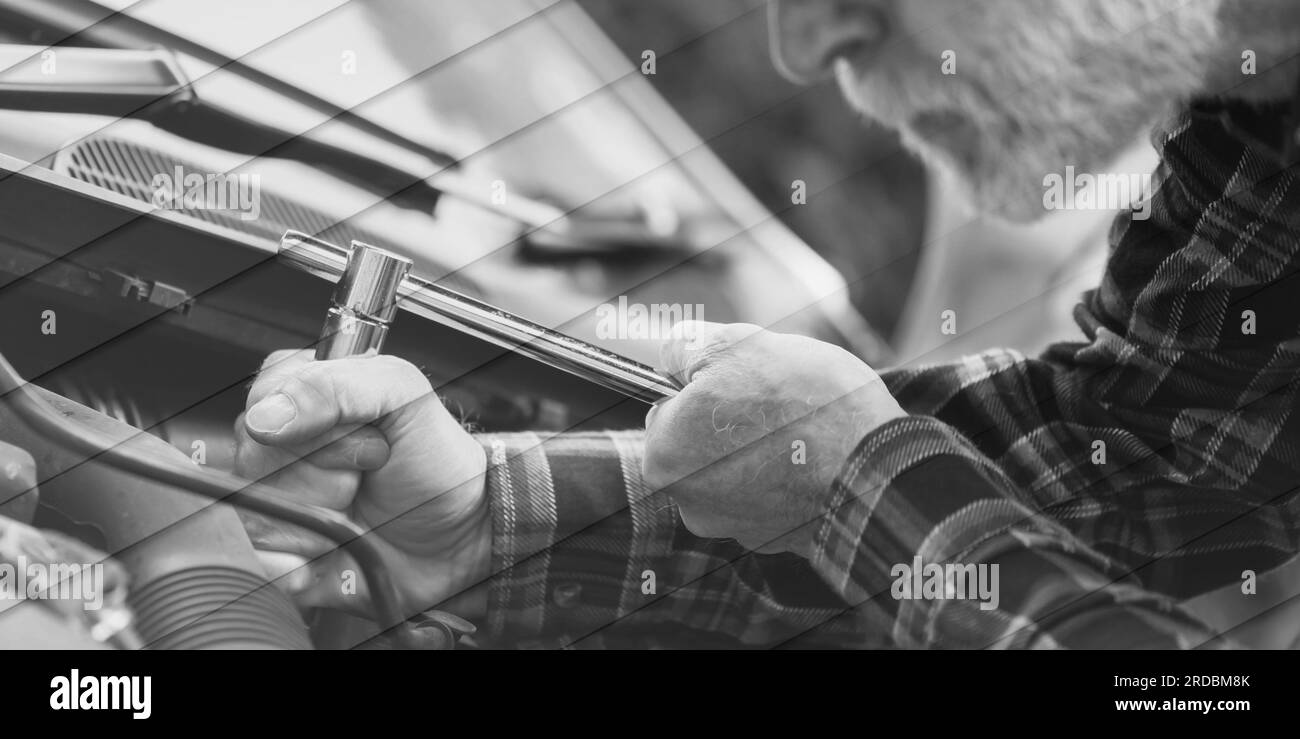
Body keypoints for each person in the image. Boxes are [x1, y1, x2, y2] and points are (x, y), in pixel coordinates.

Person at [236, 0, 1300, 648]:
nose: (804, 42)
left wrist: (852, 476)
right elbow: (1139, 453)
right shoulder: (1257, 117)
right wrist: (484, 517)